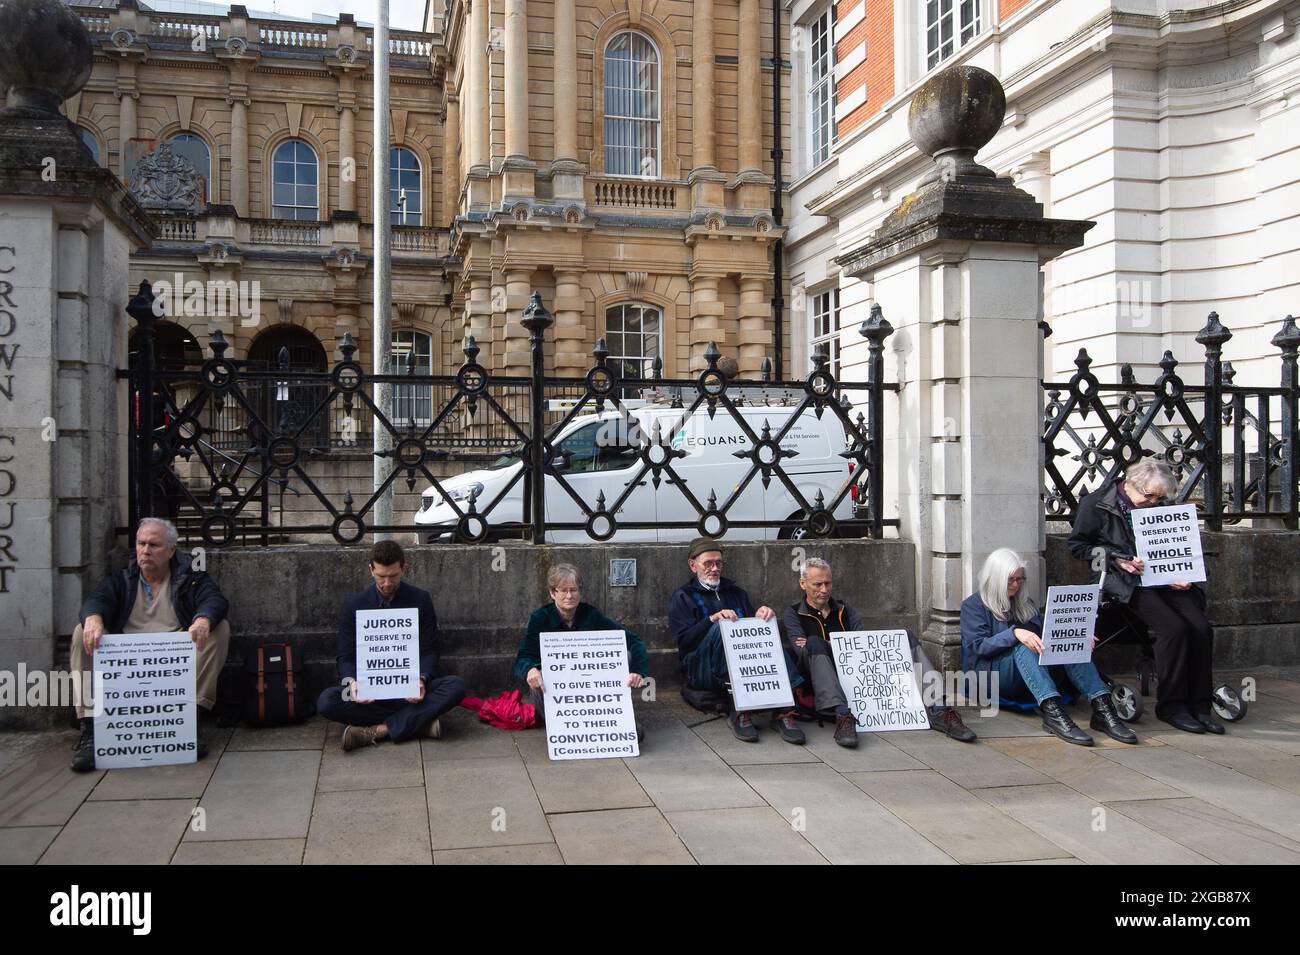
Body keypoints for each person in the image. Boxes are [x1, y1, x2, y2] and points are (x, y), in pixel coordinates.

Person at [1067, 460, 1220, 734]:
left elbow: (1179, 543)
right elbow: (1078, 547)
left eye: (1159, 498)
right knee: (1173, 628)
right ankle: (1172, 706)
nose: (1152, 502)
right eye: (1148, 496)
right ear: (1130, 484)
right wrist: (1117, 559)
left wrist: (1186, 572)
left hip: (1164, 578)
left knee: (1200, 628)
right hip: (1124, 580)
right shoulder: (1097, 503)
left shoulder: (1158, 505)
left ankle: (1200, 705)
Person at [71, 517, 231, 771]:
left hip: (173, 660)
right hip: (127, 658)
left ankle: (191, 720)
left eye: (154, 545)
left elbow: (214, 599)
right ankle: (90, 728)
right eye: (141, 544)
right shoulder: (122, 579)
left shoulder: (190, 577)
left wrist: (202, 619)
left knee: (218, 628)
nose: (145, 551)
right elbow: (98, 599)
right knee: (82, 632)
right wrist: (93, 618)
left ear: (171, 551)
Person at [784, 557, 976, 747]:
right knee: (815, 643)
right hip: (817, 678)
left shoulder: (843, 609)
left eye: (828, 583)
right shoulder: (793, 613)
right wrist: (833, 644)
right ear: (803, 583)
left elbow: (861, 644)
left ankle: (940, 709)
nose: (824, 590)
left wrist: (831, 644)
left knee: (905, 636)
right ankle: (843, 715)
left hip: (854, 672)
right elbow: (801, 651)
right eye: (818, 584)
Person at [960, 548, 1137, 746]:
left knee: (1067, 643)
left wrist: (1076, 634)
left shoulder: (1024, 602)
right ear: (995, 578)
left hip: (1031, 671)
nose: (1016, 585)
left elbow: (1048, 631)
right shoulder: (973, 605)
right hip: (994, 674)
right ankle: (1053, 711)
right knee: (1023, 646)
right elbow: (978, 647)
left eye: (1020, 579)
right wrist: (1015, 633)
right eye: (1010, 579)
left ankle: (1103, 708)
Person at [317, 540, 466, 751]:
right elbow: (345, 656)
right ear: (371, 570)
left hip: (410, 693)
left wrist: (422, 679)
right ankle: (418, 724)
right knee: (327, 701)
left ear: (404, 569)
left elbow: (430, 649)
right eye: (381, 577)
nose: (387, 583)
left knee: (455, 686)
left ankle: (378, 730)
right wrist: (353, 683)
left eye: (393, 576)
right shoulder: (354, 605)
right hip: (371, 696)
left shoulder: (420, 599)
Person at [668, 538, 807, 745]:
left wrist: (761, 615)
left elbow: (752, 634)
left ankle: (784, 710)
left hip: (743, 665)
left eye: (718, 563)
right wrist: (712, 619)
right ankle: (740, 709)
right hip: (701, 667)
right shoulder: (683, 596)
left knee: (763, 629)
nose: (714, 569)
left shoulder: (736, 593)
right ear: (692, 565)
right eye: (708, 563)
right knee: (721, 627)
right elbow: (684, 642)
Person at [515, 563, 649, 738]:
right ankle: (560, 725)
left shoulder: (591, 615)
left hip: (591, 683)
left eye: (574, 590)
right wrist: (530, 669)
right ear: (552, 593)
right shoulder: (540, 618)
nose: (569, 596)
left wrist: (637, 671)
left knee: (627, 655)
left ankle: (612, 717)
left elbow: (634, 642)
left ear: (580, 592)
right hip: (558, 687)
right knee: (537, 675)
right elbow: (523, 657)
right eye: (563, 590)